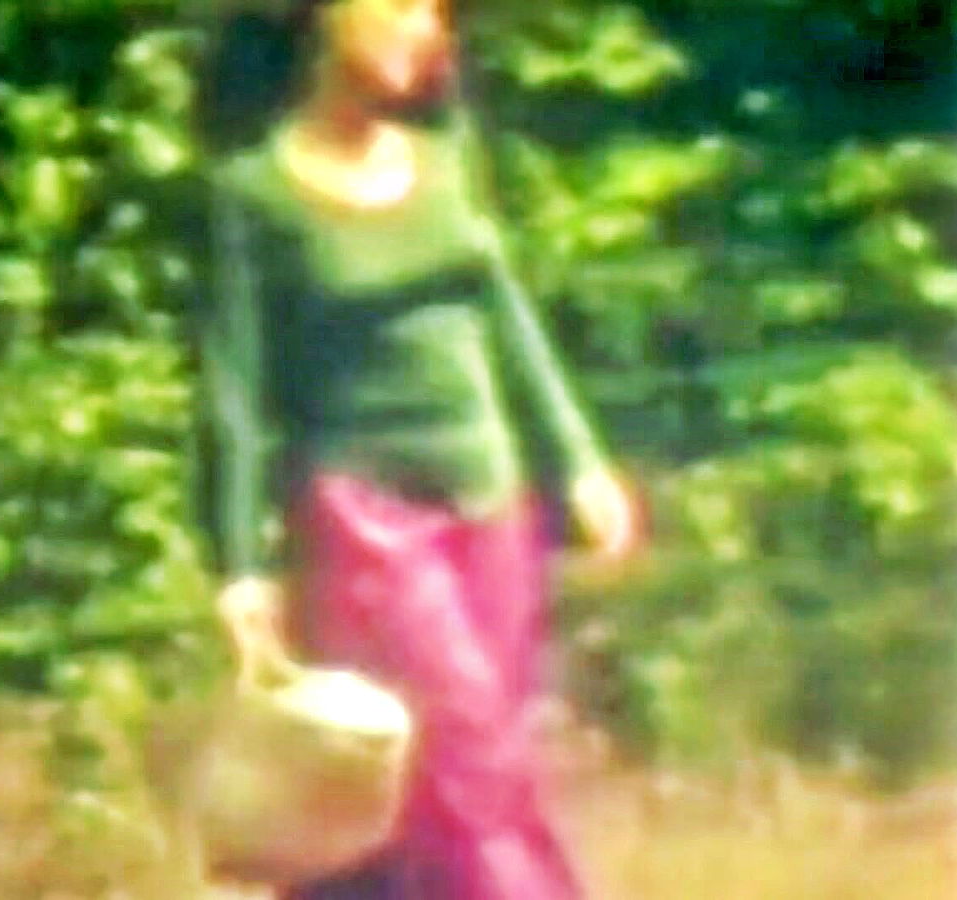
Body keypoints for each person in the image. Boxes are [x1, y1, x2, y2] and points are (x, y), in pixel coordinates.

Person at [195, 1, 643, 896]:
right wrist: (241, 562)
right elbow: (233, 393)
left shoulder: (444, 162)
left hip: (493, 502)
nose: (425, 30)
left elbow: (507, 318)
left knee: (456, 778)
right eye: (400, 5)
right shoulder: (253, 194)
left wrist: (581, 461)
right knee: (473, 759)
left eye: (436, 15)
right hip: (366, 512)